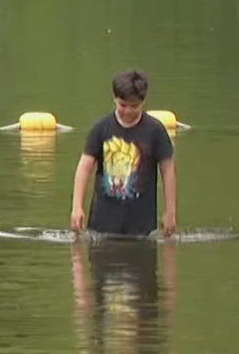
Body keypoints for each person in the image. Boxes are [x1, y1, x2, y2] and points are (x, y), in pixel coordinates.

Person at [71, 70, 177, 237]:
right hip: (102, 223)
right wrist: (77, 207)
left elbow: (168, 170)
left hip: (142, 225)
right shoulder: (101, 128)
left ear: (143, 102)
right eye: (122, 105)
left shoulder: (155, 130)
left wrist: (170, 211)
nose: (127, 111)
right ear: (114, 99)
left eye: (134, 106)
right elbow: (84, 167)